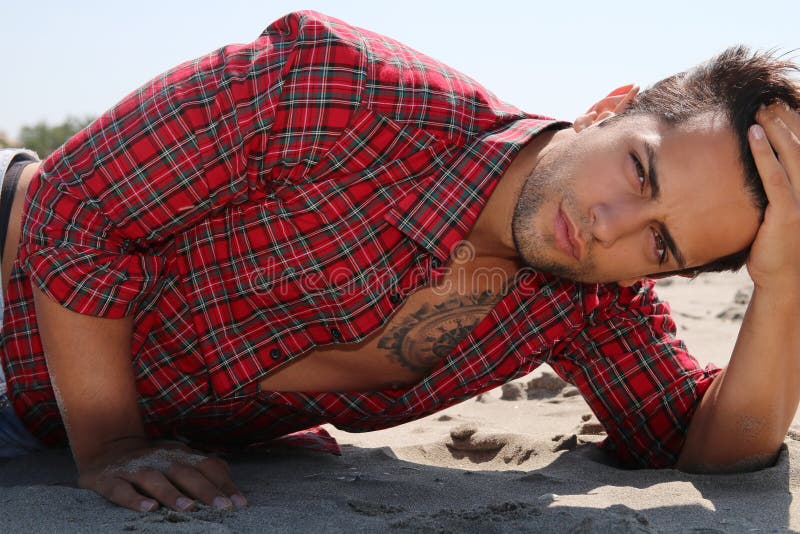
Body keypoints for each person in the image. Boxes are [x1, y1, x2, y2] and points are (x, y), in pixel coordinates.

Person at [1, 9, 799, 514]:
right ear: (607, 108)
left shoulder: (590, 303)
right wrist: (108, 445)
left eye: (660, 244)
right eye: (639, 170)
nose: (609, 227)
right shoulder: (340, 88)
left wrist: (787, 283)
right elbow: (76, 206)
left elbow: (705, 443)